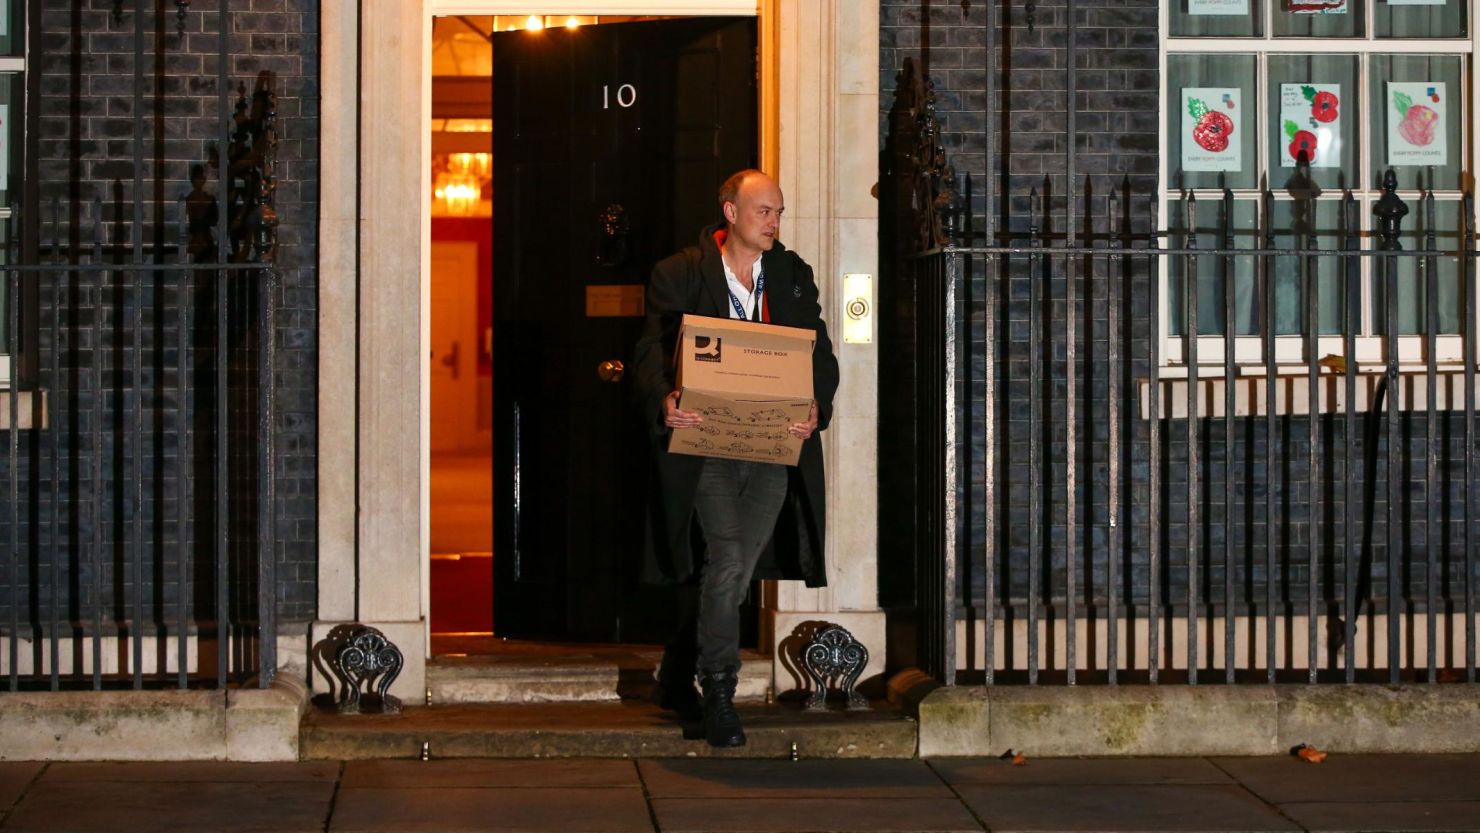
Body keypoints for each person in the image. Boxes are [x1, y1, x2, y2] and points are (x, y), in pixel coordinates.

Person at [633, 169, 839, 747]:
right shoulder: (679, 273)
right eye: (764, 211)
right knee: (727, 558)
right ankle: (718, 690)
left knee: (736, 570)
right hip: (705, 448)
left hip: (773, 447)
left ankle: (677, 670)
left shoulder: (792, 276)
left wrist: (817, 408)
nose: (774, 222)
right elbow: (650, 349)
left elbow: (818, 351)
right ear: (730, 212)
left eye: (778, 212)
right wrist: (663, 397)